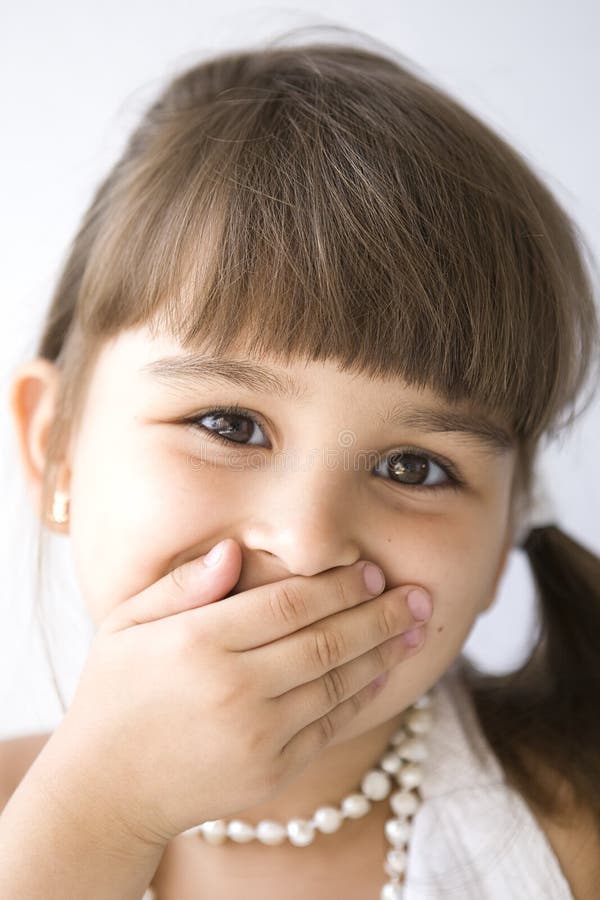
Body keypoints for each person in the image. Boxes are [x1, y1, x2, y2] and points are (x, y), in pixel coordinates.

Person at [1, 28, 599, 900]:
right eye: (229, 423)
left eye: (413, 468)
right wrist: (99, 815)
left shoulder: (567, 837)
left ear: (506, 533)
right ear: (56, 449)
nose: (310, 542)